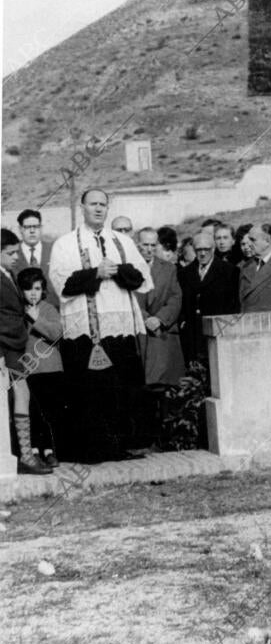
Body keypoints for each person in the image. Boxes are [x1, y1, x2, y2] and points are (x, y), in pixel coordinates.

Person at [48, 189, 153, 463]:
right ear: (81, 206)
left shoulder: (122, 241)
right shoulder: (65, 243)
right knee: (88, 390)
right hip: (84, 332)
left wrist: (117, 271)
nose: (98, 209)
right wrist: (96, 273)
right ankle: (89, 450)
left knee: (120, 388)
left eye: (103, 205)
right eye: (93, 204)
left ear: (108, 208)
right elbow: (62, 283)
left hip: (118, 328)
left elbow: (142, 277)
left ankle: (122, 446)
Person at [0, 230, 51, 474]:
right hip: (5, 346)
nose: (15, 257)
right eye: (9, 253)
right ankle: (25, 456)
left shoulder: (8, 274)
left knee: (22, 394)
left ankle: (25, 454)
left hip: (14, 345)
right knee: (21, 393)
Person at [17, 267, 67, 465]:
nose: (33, 293)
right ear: (21, 291)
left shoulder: (47, 309)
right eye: (28, 289)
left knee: (50, 412)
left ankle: (50, 450)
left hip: (51, 369)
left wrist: (37, 319)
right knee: (33, 412)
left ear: (43, 290)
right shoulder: (18, 311)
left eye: (37, 288)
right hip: (29, 369)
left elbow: (56, 333)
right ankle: (35, 450)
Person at [178, 229, 240, 363]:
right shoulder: (185, 273)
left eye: (207, 249)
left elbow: (234, 304)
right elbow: (182, 300)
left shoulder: (229, 271)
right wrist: (183, 321)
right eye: (199, 249)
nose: (202, 253)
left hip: (218, 330)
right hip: (193, 331)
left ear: (213, 248)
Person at [136, 228, 185, 386]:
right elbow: (127, 299)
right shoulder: (128, 268)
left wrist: (160, 318)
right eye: (145, 245)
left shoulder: (169, 268)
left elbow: (175, 297)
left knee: (165, 386)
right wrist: (145, 318)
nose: (149, 249)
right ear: (138, 245)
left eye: (153, 244)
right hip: (139, 333)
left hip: (162, 334)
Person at [14, 209, 58, 307]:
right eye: (27, 227)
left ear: (41, 228)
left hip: (53, 312)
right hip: (23, 314)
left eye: (36, 226)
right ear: (20, 229)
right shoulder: (12, 253)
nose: (32, 231)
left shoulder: (54, 250)